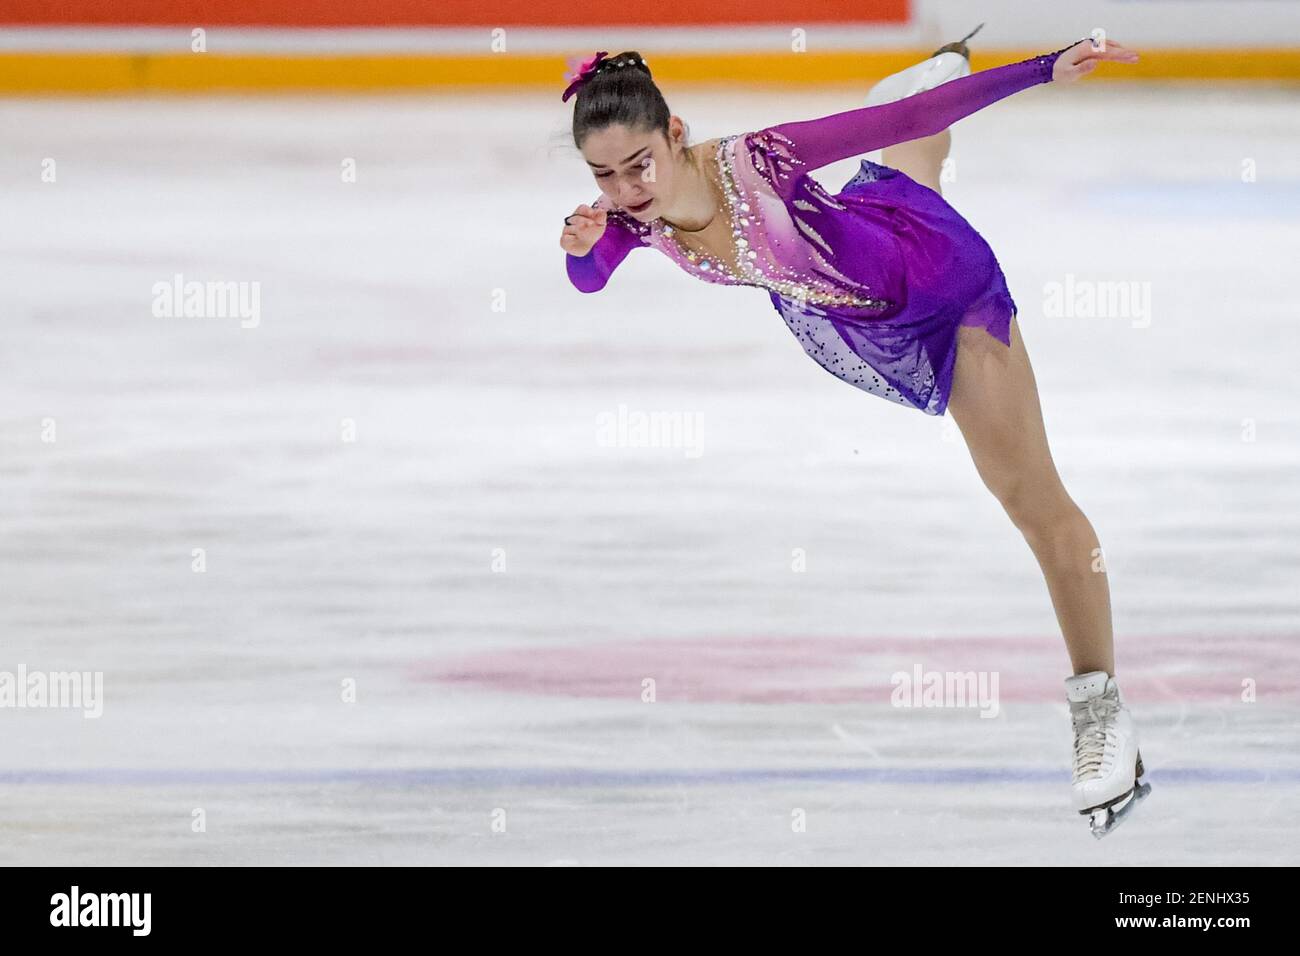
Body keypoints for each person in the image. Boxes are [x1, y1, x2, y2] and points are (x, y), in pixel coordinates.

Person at [559, 32, 1148, 837]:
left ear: (678, 134)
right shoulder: (639, 219)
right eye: (604, 174)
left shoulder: (757, 163)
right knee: (914, 172)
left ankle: (1100, 709)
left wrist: (1043, 68)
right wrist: (584, 251)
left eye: (639, 164)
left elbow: (912, 116)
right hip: (861, 270)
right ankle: (939, 53)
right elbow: (588, 276)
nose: (626, 188)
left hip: (944, 286)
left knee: (1029, 497)